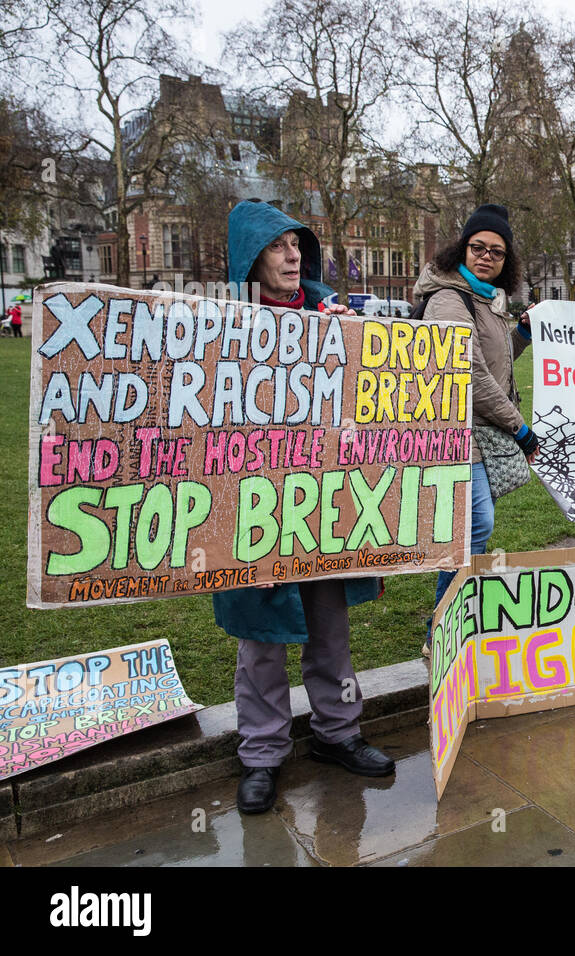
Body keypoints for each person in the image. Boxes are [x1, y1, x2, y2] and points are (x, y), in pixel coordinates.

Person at [215, 199, 393, 816]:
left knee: (330, 624)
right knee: (261, 638)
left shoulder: (334, 313)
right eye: (276, 246)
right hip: (254, 505)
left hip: (324, 504)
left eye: (297, 245)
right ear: (250, 259)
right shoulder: (217, 323)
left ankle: (338, 733)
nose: (292, 256)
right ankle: (262, 754)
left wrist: (355, 338)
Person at [412, 204, 535, 611]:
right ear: (462, 249)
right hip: (456, 432)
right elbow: (471, 376)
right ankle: (444, 625)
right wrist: (520, 428)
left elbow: (496, 365)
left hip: (480, 431)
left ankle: (457, 618)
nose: (486, 256)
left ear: (506, 261)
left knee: (470, 530)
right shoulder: (449, 299)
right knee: (472, 527)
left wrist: (521, 333)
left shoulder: (484, 300)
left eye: (496, 252)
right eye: (478, 247)